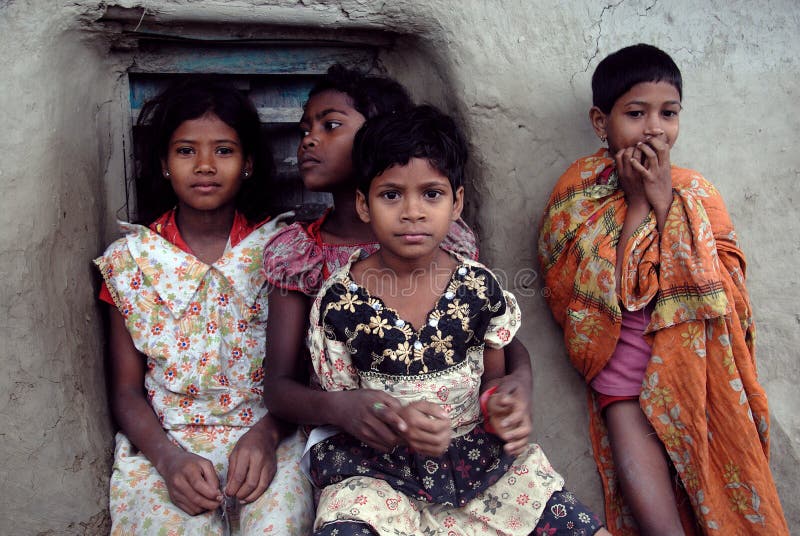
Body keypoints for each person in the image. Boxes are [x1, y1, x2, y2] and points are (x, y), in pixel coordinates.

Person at [303, 104, 607, 535]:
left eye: (431, 194)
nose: (412, 211)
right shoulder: (339, 301)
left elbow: (493, 380)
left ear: (457, 202)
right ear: (363, 204)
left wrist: (501, 404)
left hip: (477, 465)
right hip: (378, 472)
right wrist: (396, 421)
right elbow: (347, 404)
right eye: (391, 195)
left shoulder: (478, 288)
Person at [538, 44, 788, 535]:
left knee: (716, 469)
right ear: (601, 121)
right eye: (636, 113)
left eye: (668, 113)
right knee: (648, 487)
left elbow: (726, 280)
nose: (654, 127)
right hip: (621, 359)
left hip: (694, 360)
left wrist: (667, 200)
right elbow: (607, 288)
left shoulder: (697, 192)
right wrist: (639, 202)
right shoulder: (580, 191)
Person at [263, 64, 534, 461]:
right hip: (361, 440)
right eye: (305, 130)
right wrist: (340, 408)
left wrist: (519, 381)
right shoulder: (303, 257)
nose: (309, 141)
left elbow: (491, 333)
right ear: (366, 200)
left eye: (331, 125)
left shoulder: (444, 243)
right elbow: (280, 385)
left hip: (457, 438)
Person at [94, 77, 313, 535]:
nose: (205, 165)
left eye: (224, 151)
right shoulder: (130, 262)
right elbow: (126, 392)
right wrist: (168, 459)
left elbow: (301, 374)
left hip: (268, 435)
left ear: (248, 163)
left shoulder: (283, 253)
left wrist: (267, 434)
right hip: (164, 443)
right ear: (163, 164)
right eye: (186, 151)